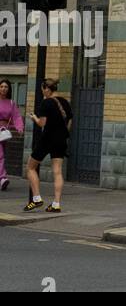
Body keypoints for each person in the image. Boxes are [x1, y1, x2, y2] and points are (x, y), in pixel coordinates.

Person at [25, 79, 71, 214]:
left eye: (42, 89)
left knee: (30, 167)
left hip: (47, 139)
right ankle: (56, 204)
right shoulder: (64, 102)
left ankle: (37, 197)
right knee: (57, 171)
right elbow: (69, 123)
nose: (42, 91)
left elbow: (42, 123)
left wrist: (34, 118)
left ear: (46, 89)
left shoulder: (46, 103)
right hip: (61, 140)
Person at [0, 80, 23, 192]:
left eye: (6, 87)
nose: (4, 89)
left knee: (2, 154)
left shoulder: (11, 103)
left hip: (4, 132)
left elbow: (17, 116)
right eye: (2, 86)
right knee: (0, 155)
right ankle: (3, 178)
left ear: (9, 89)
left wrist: (19, 128)